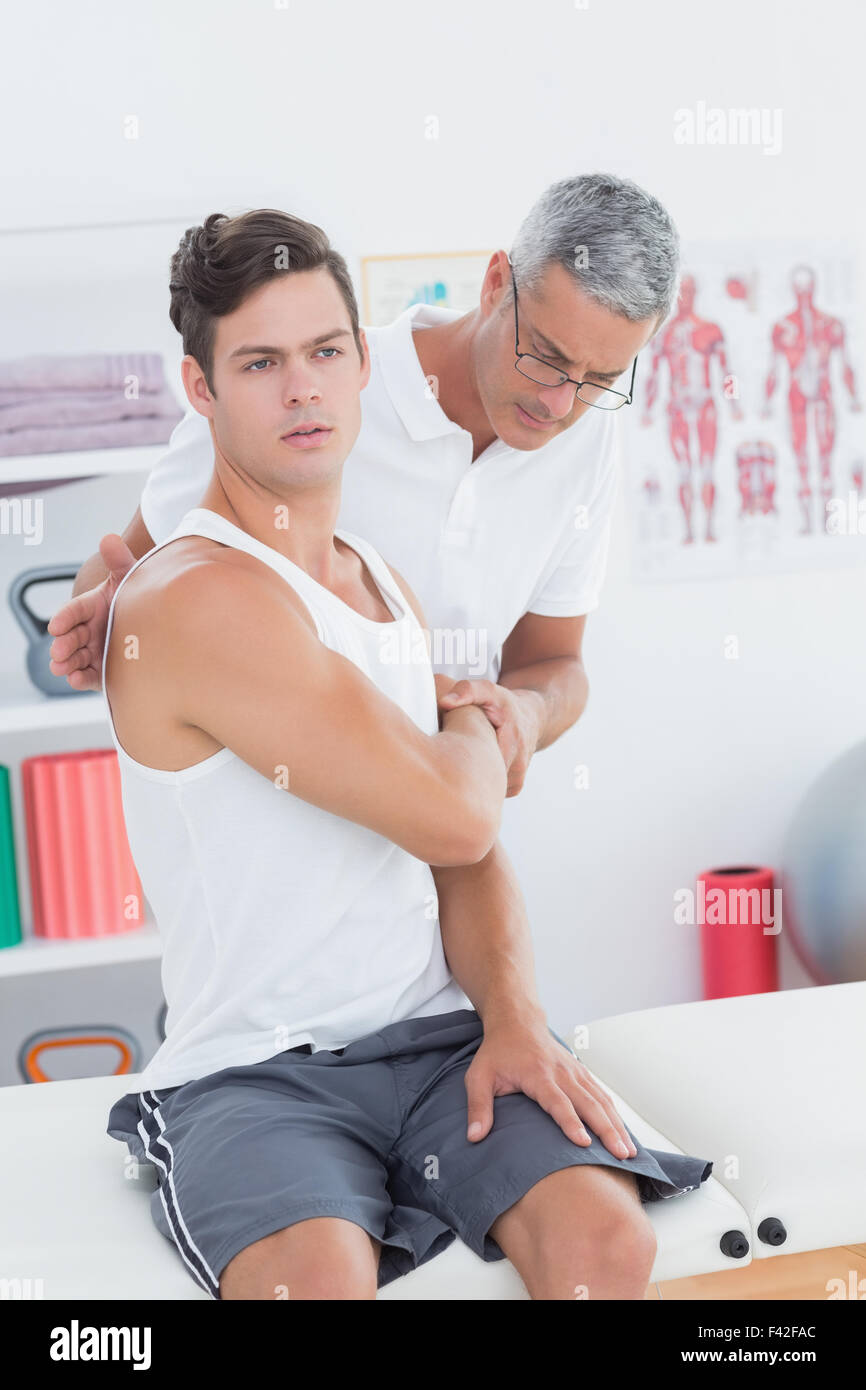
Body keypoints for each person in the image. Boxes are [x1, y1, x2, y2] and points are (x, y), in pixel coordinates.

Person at [101, 206, 712, 1301]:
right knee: (313, 1281)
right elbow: (457, 814)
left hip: (430, 1041)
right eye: (261, 363)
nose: (303, 390)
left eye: (326, 353)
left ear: (361, 362)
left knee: (603, 1243)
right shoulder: (196, 596)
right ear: (201, 393)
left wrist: (515, 1022)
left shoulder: (379, 581)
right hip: (257, 1070)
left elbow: (459, 852)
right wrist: (483, 722)